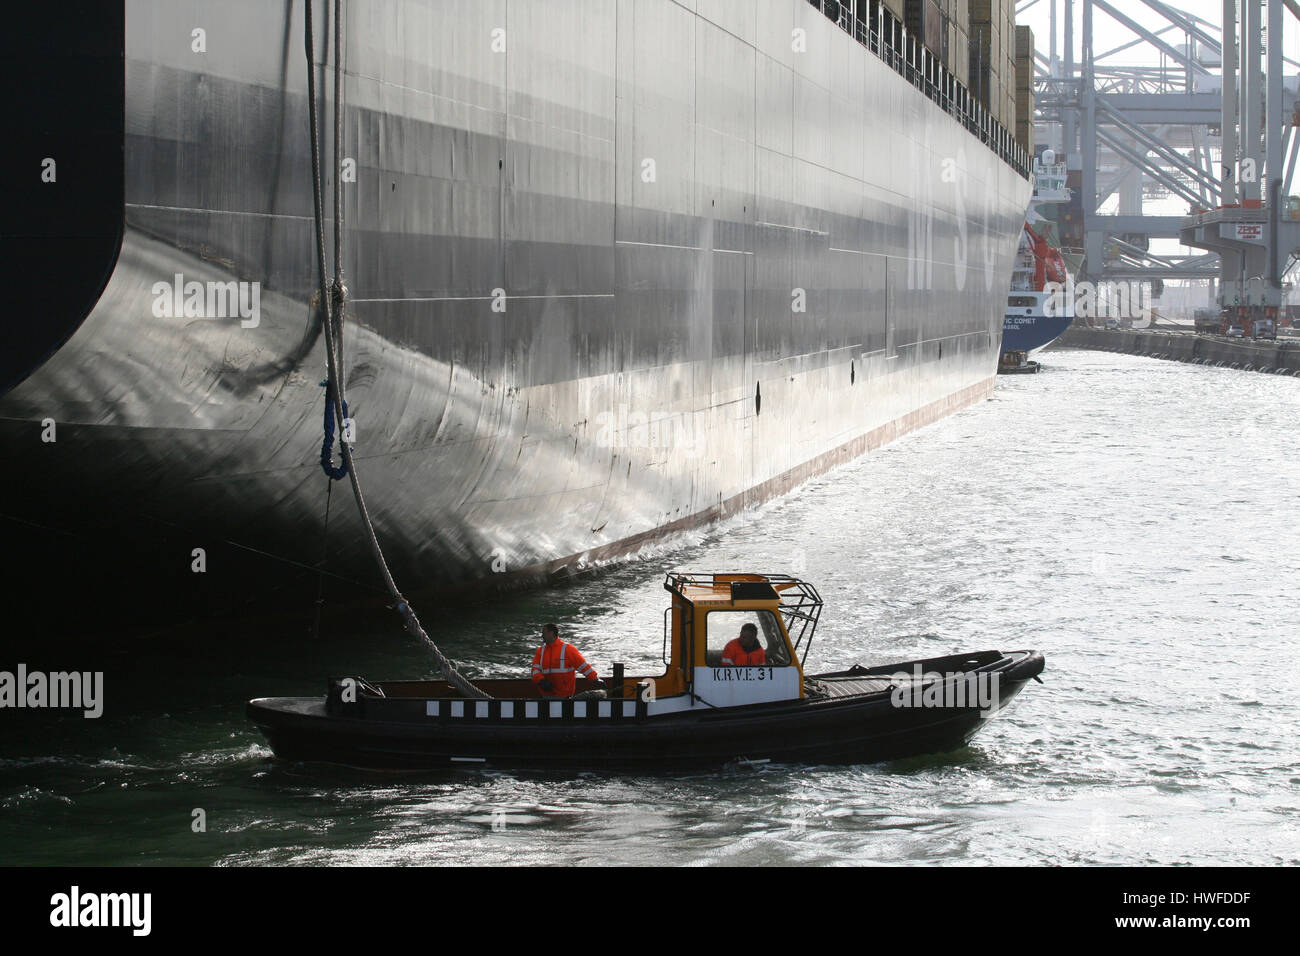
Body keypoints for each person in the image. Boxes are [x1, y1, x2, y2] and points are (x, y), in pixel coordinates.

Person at [530, 623, 599, 697]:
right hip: (546, 695)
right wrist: (541, 681)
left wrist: (595, 679)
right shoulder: (540, 651)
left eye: (544, 633)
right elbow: (535, 670)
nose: (542, 636)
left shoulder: (568, 649)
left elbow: (582, 665)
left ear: (551, 633)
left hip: (565, 696)